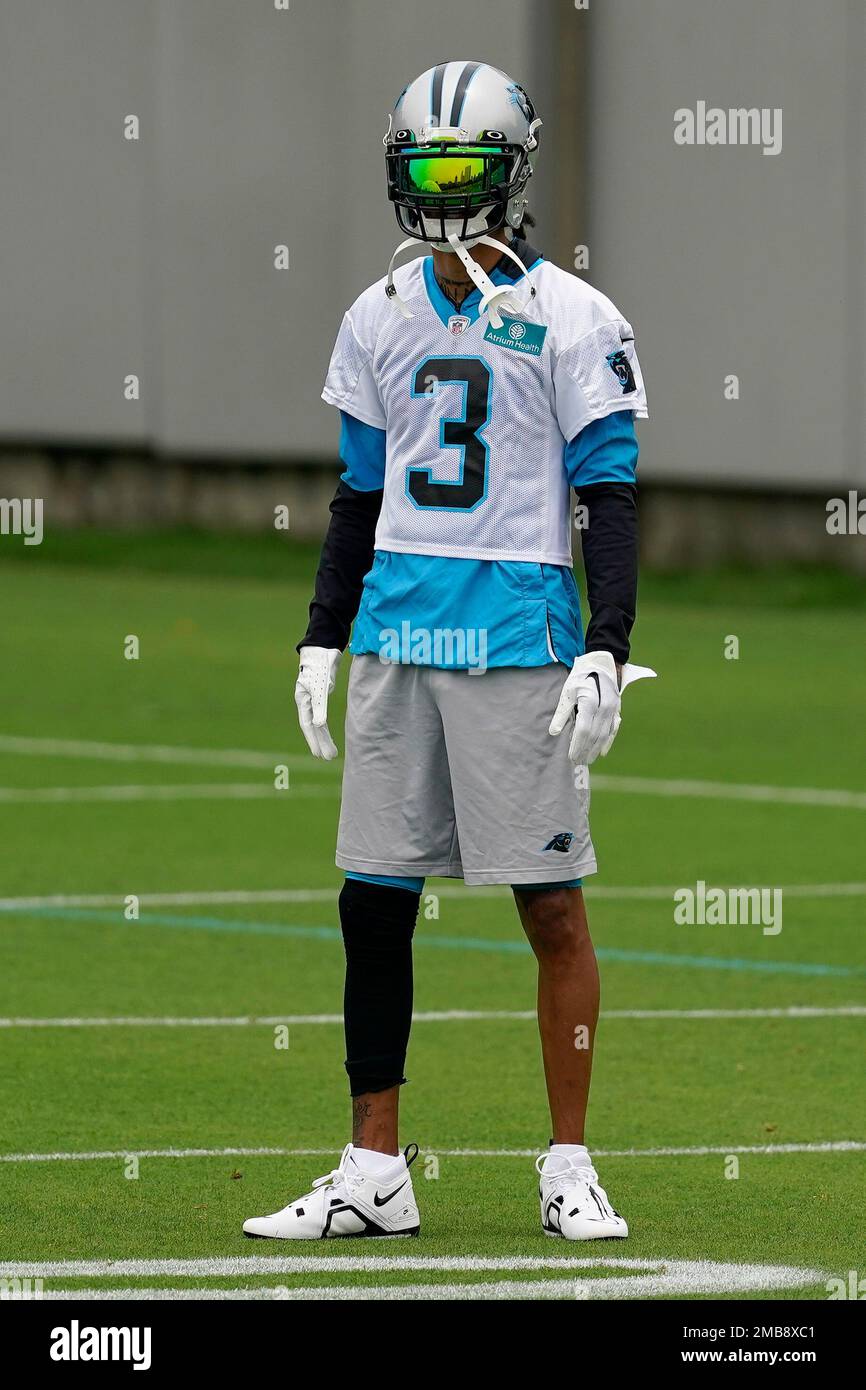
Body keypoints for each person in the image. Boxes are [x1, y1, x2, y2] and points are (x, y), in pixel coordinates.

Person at [244, 60, 653, 1243]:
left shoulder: (576, 316)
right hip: (394, 639)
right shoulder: (375, 313)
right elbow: (355, 499)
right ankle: (373, 1168)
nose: (445, 187)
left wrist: (607, 645)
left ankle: (567, 1160)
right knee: (370, 906)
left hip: (516, 640)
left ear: (511, 171)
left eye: (466, 165)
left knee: (548, 905)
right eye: (427, 166)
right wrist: (323, 634)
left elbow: (609, 497)